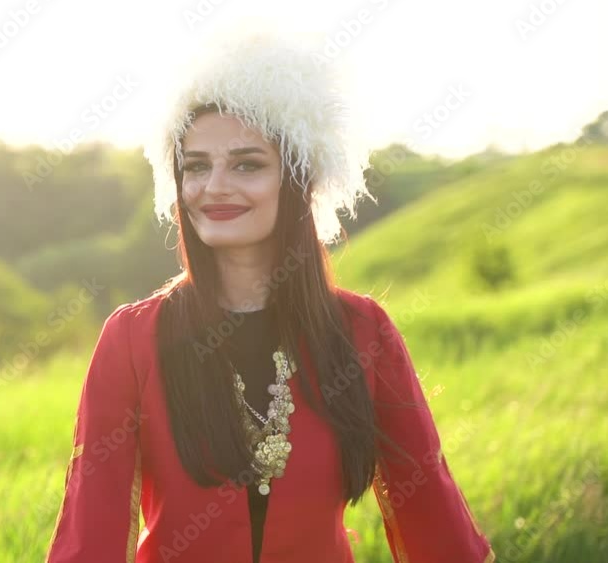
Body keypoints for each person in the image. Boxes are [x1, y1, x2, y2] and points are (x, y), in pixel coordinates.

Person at [45, 27, 495, 563]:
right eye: (196, 166)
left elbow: (431, 514)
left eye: (247, 164)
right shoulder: (132, 338)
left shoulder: (362, 331)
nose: (214, 186)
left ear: (297, 179)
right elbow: (92, 524)